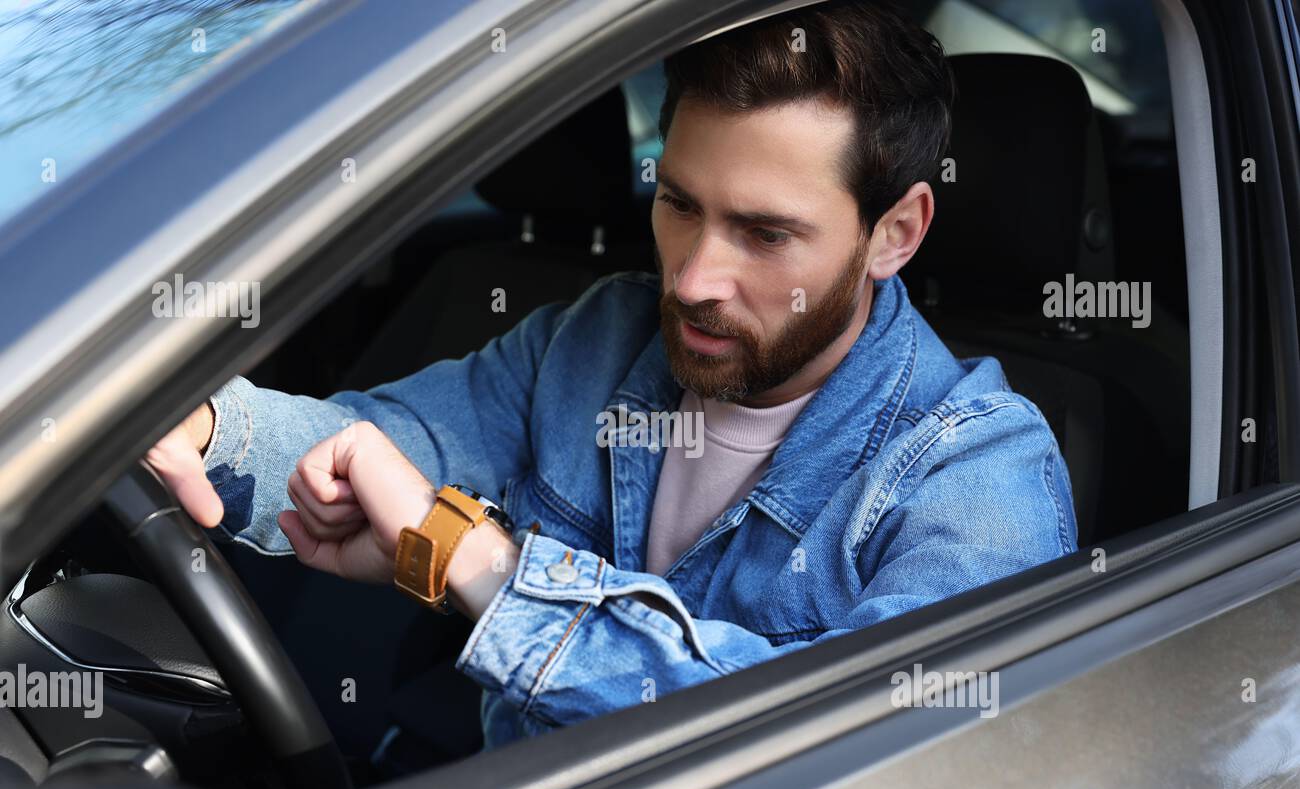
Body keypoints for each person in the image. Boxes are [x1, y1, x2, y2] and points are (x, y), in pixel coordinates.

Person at [146, 0, 1077, 750]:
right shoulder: (598, 338)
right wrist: (203, 428)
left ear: (895, 233)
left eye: (764, 232)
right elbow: (385, 444)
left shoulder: (978, 471)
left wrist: (486, 570)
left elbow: (870, 755)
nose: (694, 279)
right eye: (677, 203)